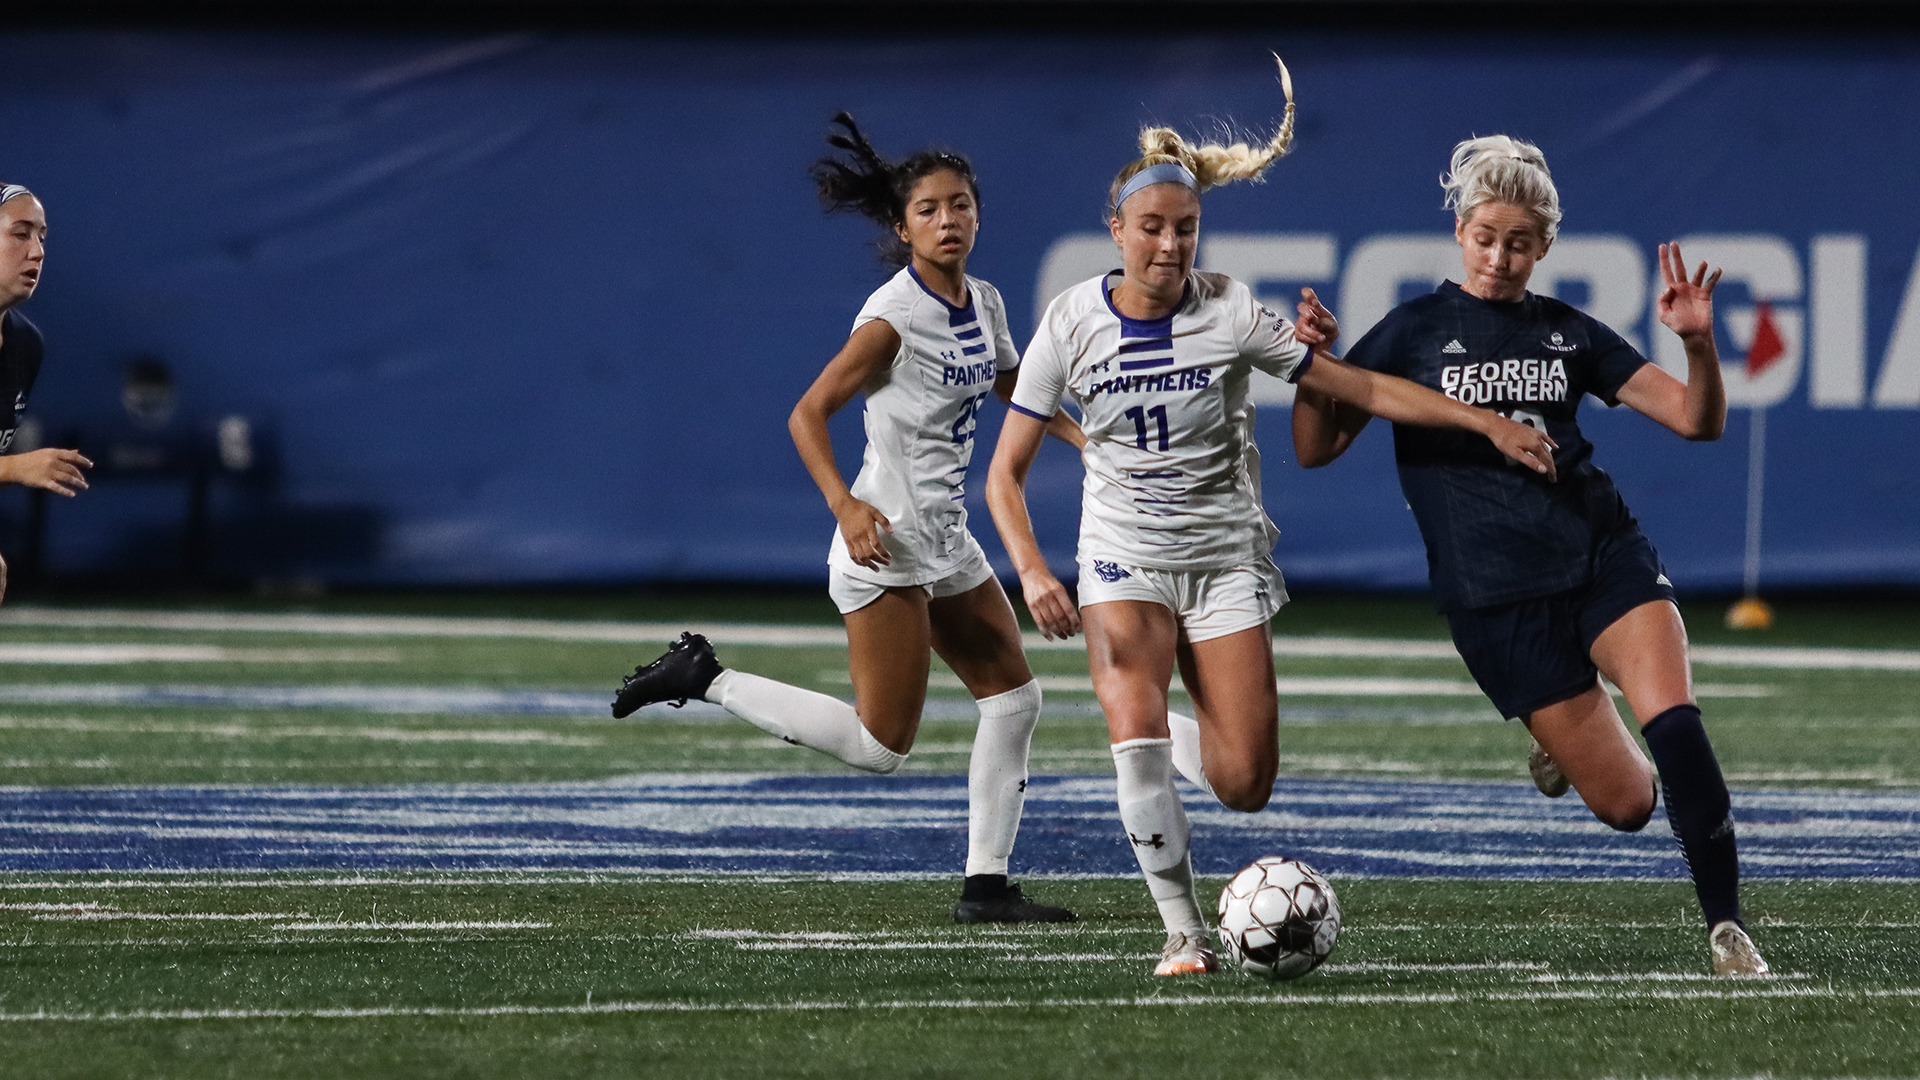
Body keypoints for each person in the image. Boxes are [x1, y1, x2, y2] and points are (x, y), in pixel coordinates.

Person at [984, 62, 1556, 975]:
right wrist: (1033, 569)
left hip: (1224, 560)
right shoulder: (1069, 322)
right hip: (1122, 557)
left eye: (1185, 228)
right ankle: (1182, 932)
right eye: (1151, 228)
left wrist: (1484, 421)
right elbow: (1004, 477)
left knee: (1244, 784)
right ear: (1117, 231)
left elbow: (1361, 387)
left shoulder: (1231, 311)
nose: (1170, 245)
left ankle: (1156, 721)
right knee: (1134, 742)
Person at [1290, 135, 1766, 976]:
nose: (1499, 258)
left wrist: (1697, 343)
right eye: (1485, 238)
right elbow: (1314, 448)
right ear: (1460, 233)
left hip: (1601, 554)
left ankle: (1727, 928)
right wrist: (1315, 368)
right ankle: (1567, 735)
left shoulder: (1567, 333)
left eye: (1519, 243)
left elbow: (1697, 421)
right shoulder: (1413, 330)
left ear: (1545, 246)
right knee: (1628, 803)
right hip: (1496, 597)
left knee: (1676, 724)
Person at [612, 116, 1085, 924]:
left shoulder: (986, 300)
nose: (948, 219)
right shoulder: (892, 317)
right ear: (903, 229)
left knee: (1013, 701)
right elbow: (806, 413)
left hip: (947, 540)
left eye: (960, 204)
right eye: (928, 209)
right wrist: (845, 503)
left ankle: (986, 889)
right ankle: (704, 676)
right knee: (880, 747)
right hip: (886, 544)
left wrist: (1088, 440)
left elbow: (1014, 385)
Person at [0, 182, 92, 607]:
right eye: (20, 234)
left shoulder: (25, 344)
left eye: (42, 237)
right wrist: (16, 466)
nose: (37, 251)